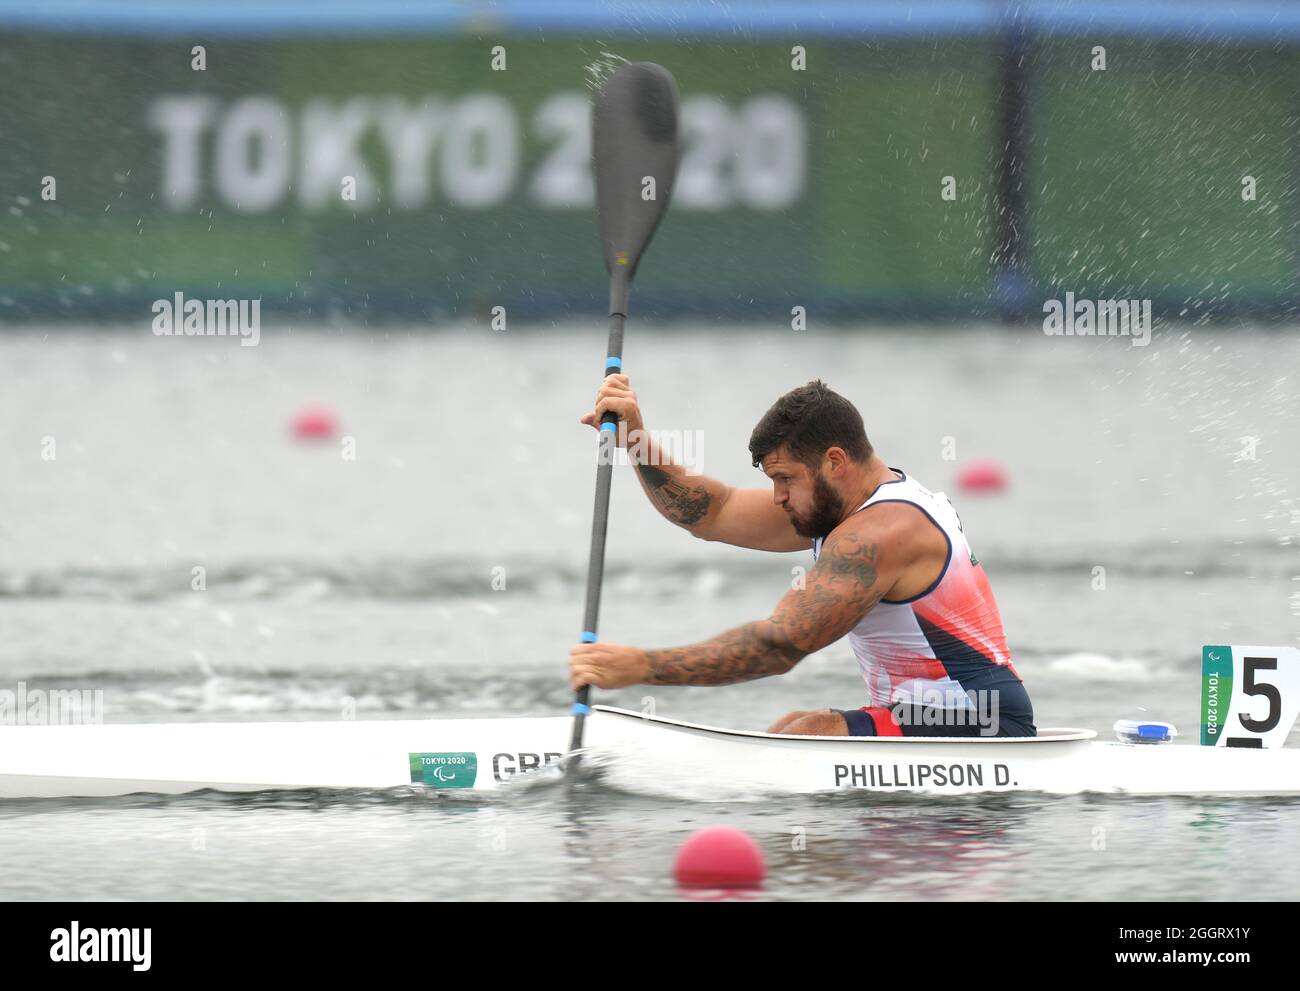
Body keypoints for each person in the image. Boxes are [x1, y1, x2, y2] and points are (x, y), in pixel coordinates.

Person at [568, 377, 1034, 738]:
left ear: (834, 461)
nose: (777, 497)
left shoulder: (882, 532)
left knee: (810, 732)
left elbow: (781, 645)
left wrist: (643, 667)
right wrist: (634, 437)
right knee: (796, 726)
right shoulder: (843, 507)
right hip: (924, 717)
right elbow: (711, 512)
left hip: (985, 724)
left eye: (785, 479)